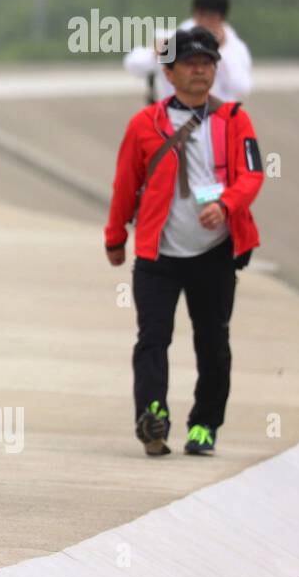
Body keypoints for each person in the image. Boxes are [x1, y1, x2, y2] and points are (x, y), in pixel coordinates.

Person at [106, 27, 264, 457]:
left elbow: (253, 174)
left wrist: (227, 205)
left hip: (215, 252)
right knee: (152, 338)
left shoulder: (234, 119)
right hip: (158, 253)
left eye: (208, 62)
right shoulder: (145, 123)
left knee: (212, 340)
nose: (201, 70)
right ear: (169, 73)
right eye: (191, 63)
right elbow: (126, 183)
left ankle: (204, 425)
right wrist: (115, 235)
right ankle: (153, 416)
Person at [124, 0, 253, 104]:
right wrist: (155, 53)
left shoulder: (235, 48)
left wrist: (222, 52)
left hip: (219, 122)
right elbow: (133, 65)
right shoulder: (177, 40)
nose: (205, 22)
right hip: (176, 122)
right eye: (201, 15)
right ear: (195, 14)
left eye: (211, 17)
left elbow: (242, 88)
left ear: (221, 18)